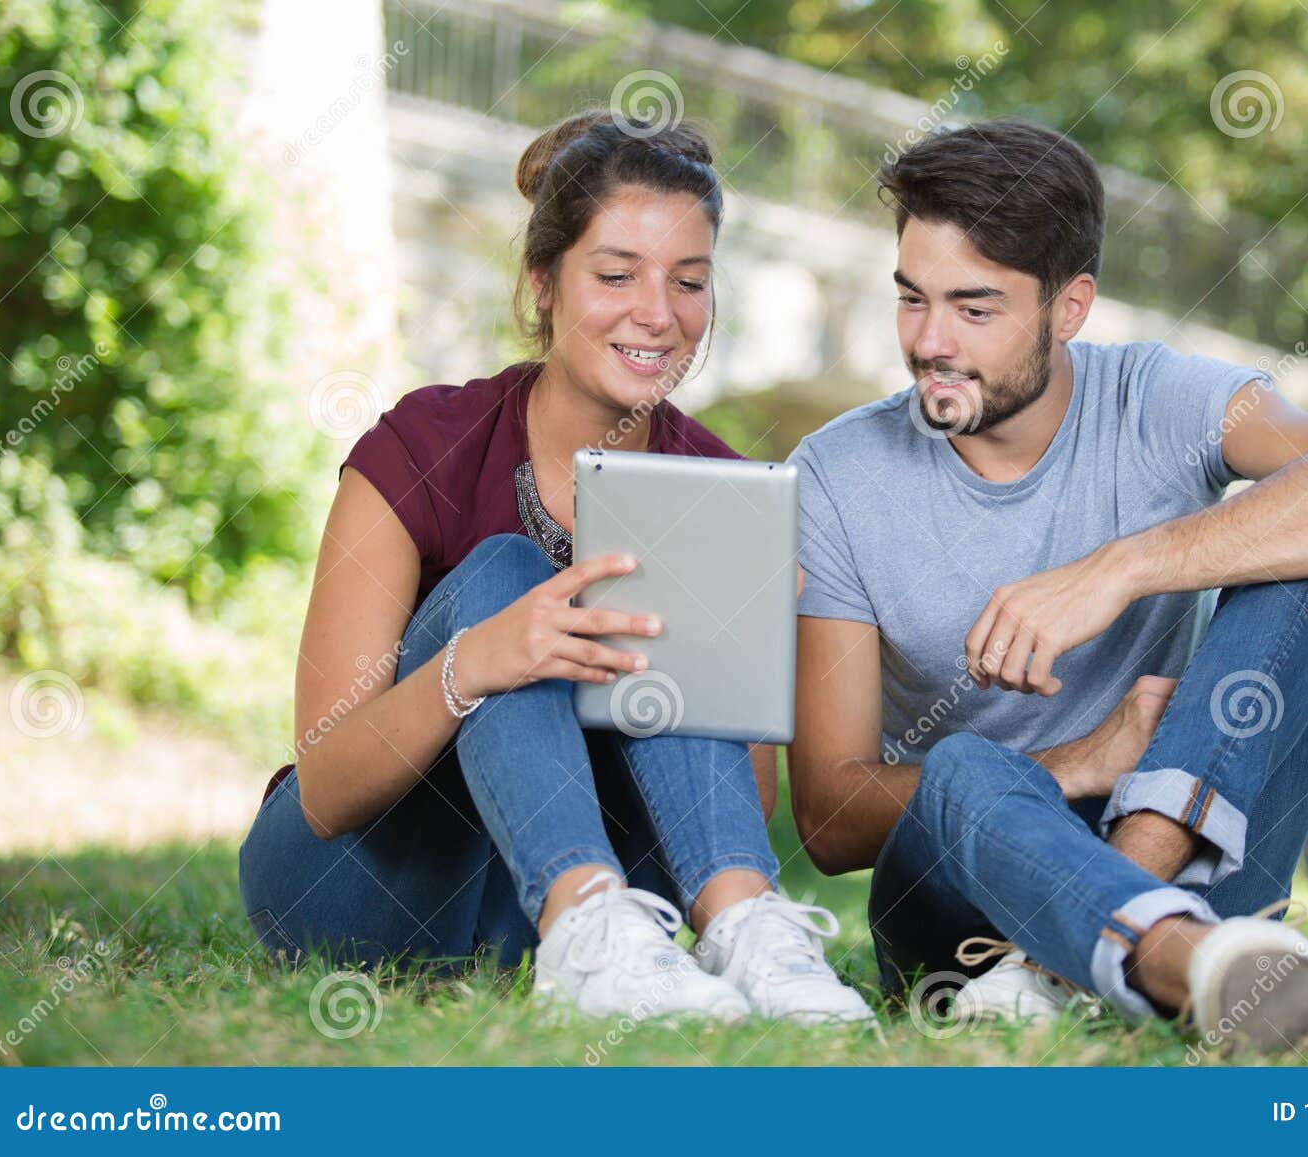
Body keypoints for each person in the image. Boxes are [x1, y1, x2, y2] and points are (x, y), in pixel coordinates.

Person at [787, 119, 1308, 1049]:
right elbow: (829, 817)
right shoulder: (837, 472)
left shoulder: (1155, 400)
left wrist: (1122, 568)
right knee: (967, 768)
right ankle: (1178, 954)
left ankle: (1109, 945)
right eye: (912, 299)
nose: (930, 341)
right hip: (965, 922)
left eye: (975, 309)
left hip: (1192, 848)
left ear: (1071, 307)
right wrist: (1077, 764)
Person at [238, 109, 872, 1026]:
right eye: (615, 275)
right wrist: (479, 664)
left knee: (674, 578)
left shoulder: (724, 486)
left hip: (604, 919)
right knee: (505, 570)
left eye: (689, 282)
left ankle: (753, 945)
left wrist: (740, 642)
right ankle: (582, 927)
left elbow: (736, 815)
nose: (657, 313)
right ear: (543, 282)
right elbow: (328, 789)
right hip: (371, 883)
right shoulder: (423, 444)